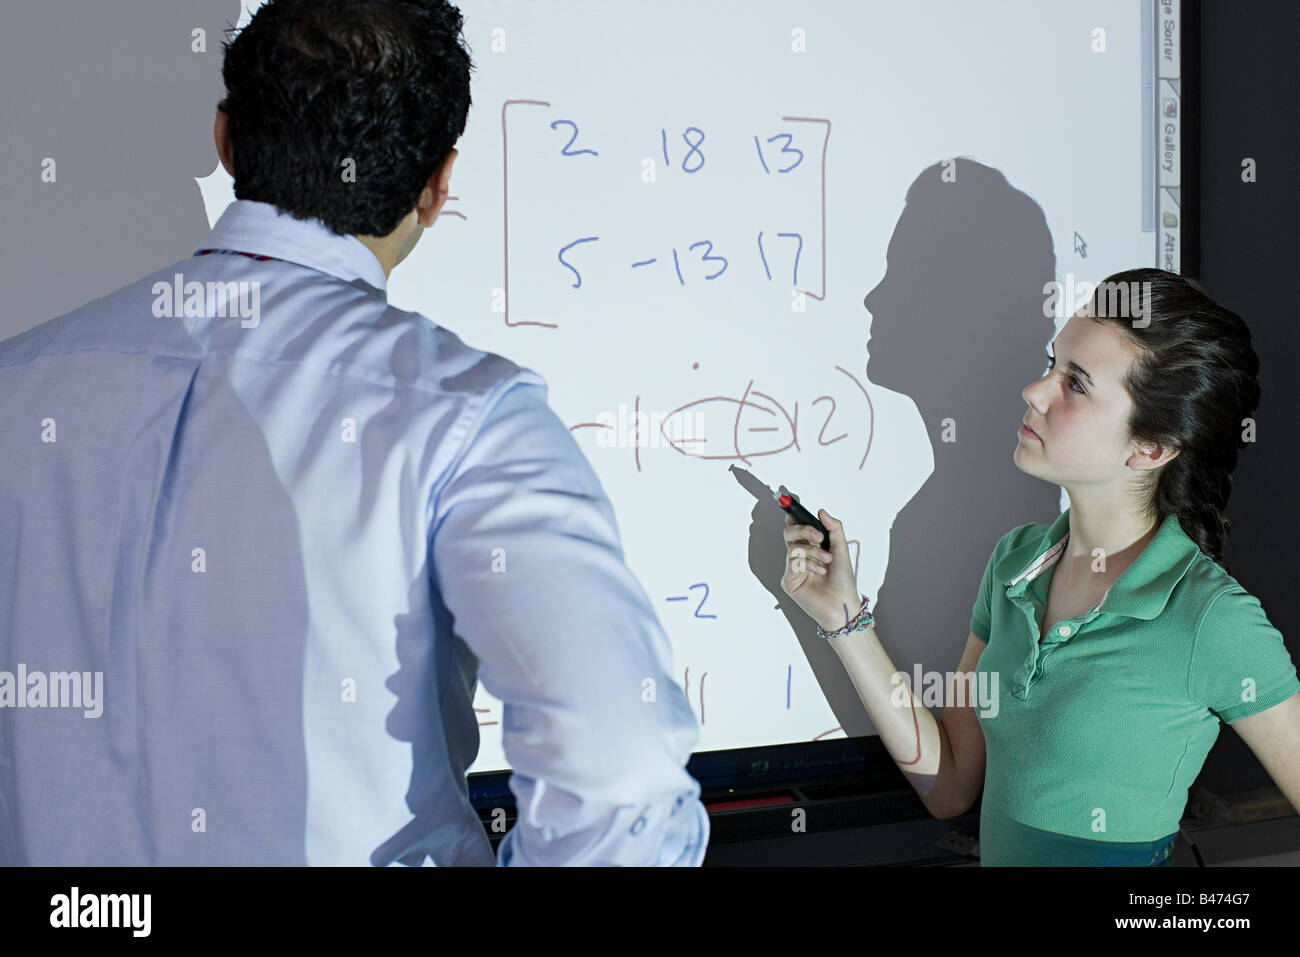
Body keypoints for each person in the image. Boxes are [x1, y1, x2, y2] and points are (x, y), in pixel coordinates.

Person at [0, 0, 707, 866]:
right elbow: (623, 779)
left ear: (226, 141)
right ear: (439, 186)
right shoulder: (469, 420)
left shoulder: (16, 386)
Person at [782, 269, 1300, 865]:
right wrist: (844, 618)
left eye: (1075, 384)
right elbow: (949, 785)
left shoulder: (1209, 619)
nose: (1034, 390)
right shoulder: (1015, 562)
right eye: (1051, 364)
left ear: (1150, 448)